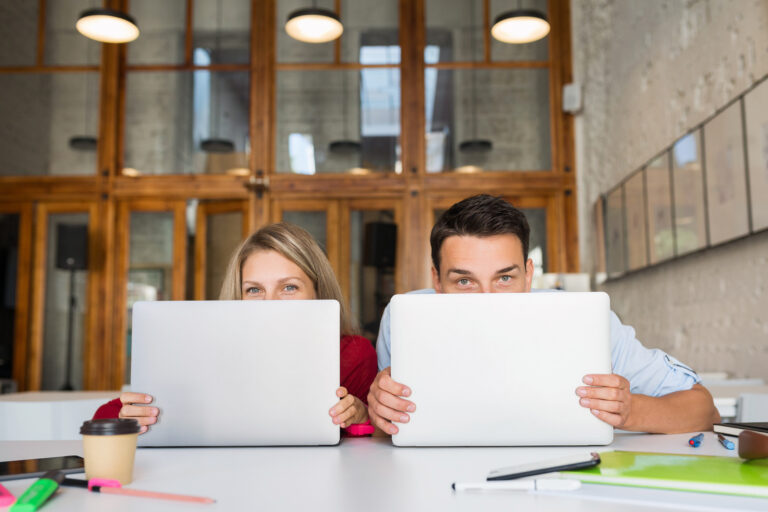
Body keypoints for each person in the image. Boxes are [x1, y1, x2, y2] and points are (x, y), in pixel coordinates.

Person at [368, 194, 720, 436]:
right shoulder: (403, 318)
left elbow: (704, 409)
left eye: (505, 277)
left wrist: (629, 411)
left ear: (529, 273)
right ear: (436, 281)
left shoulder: (584, 320)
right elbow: (390, 431)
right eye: (464, 281)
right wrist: (381, 413)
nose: (488, 299)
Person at [94, 222, 378, 433]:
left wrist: (361, 416)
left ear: (319, 291)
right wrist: (125, 415)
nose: (271, 302)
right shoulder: (207, 351)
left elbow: (372, 444)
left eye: (289, 287)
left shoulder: (352, 354)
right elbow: (102, 418)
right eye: (254, 290)